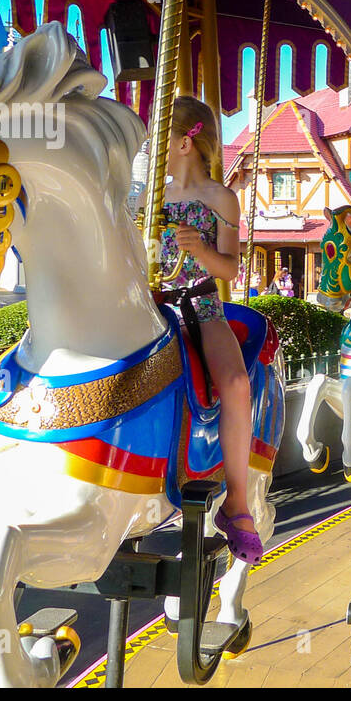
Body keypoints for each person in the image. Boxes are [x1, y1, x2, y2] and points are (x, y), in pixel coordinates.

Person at [149, 96, 262, 563]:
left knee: (235, 383)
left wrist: (198, 250)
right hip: (152, 306)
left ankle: (236, 502)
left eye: (161, 140)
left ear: (183, 143)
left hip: (200, 307)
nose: (156, 149)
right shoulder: (150, 197)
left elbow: (231, 268)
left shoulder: (220, 198)